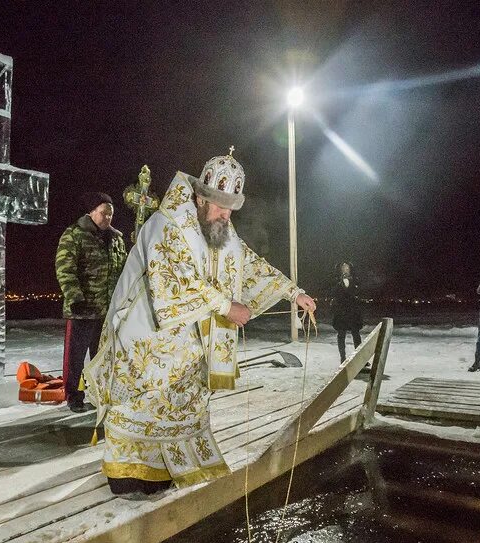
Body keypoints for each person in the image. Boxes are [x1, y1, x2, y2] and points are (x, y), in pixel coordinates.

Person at [83, 152, 317, 496]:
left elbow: (251, 264)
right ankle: (124, 473)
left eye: (231, 209)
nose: (225, 215)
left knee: (180, 405)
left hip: (191, 344)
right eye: (220, 207)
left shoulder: (222, 232)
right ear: (200, 197)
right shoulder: (167, 224)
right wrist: (226, 306)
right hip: (147, 335)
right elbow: (174, 278)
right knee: (141, 405)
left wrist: (293, 293)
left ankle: (163, 469)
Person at [55, 192, 126, 413]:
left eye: (111, 215)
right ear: (92, 212)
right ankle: (74, 395)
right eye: (104, 214)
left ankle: (99, 393)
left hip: (107, 311)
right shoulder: (74, 235)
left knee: (102, 357)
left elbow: (123, 270)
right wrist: (75, 298)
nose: (108, 218)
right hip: (83, 309)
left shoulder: (116, 239)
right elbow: (65, 268)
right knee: (76, 357)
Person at [331, 262, 363, 363]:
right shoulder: (336, 280)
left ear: (350, 269)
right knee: (341, 334)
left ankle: (360, 358)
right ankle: (342, 357)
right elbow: (333, 292)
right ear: (340, 269)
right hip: (341, 311)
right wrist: (340, 283)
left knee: (356, 334)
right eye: (343, 268)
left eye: (347, 268)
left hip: (353, 311)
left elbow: (358, 292)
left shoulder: (356, 280)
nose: (345, 269)